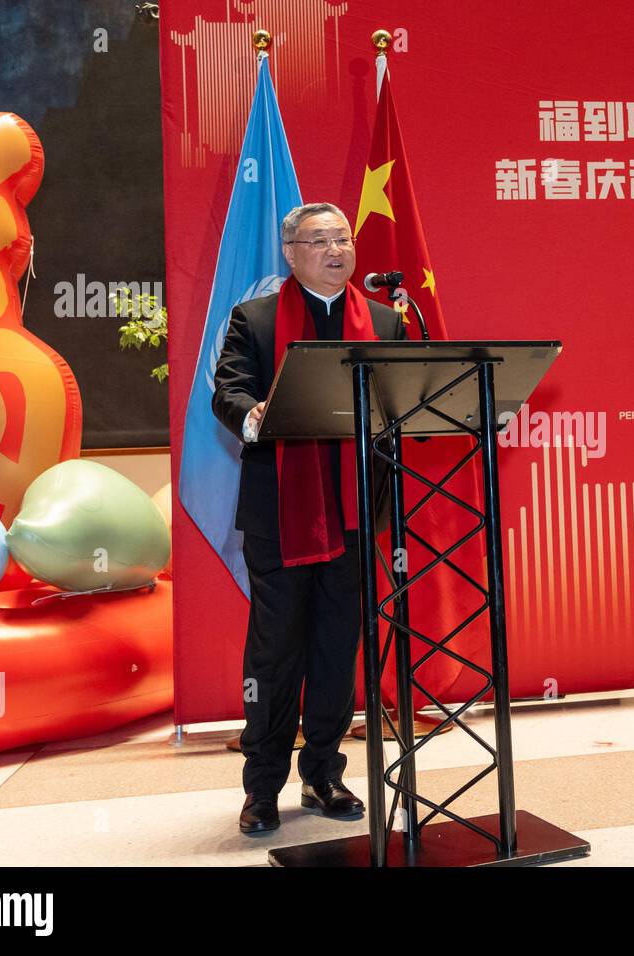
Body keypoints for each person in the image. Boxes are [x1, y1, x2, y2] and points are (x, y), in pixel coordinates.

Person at [211, 202, 405, 834]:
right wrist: (254, 415)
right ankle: (261, 787)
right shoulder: (257, 319)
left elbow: (401, 407)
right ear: (290, 253)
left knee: (334, 647)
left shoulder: (383, 322)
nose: (334, 249)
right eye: (318, 240)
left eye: (342, 237)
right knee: (276, 652)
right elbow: (229, 389)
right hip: (281, 515)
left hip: (353, 512)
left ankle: (323, 773)